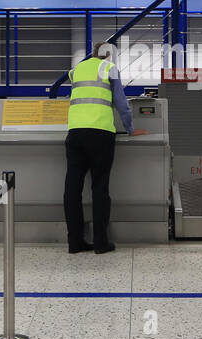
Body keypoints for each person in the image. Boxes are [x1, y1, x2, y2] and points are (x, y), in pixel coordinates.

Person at [63, 44, 148, 254]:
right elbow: (121, 102)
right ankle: (101, 243)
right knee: (99, 188)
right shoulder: (109, 68)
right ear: (109, 55)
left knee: (72, 190)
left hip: (74, 134)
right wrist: (130, 129)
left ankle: (75, 242)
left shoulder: (76, 70)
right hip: (100, 133)